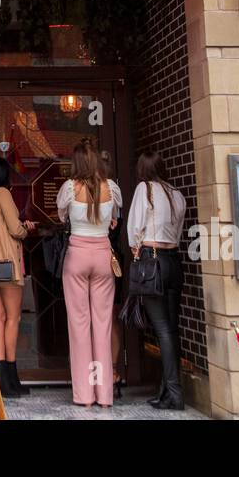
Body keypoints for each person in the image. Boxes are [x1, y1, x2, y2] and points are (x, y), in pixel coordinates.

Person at [58, 138, 121, 407]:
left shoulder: (70, 189)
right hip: (103, 255)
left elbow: (62, 217)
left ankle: (84, 394)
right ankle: (104, 394)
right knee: (103, 324)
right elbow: (115, 219)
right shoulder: (112, 188)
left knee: (79, 325)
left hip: (77, 254)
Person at [127, 151, 187, 410]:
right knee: (171, 328)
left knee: (161, 328)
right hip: (174, 260)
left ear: (143, 169)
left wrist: (135, 250)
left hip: (152, 261)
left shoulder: (145, 189)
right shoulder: (177, 194)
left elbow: (134, 228)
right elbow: (179, 231)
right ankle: (167, 388)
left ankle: (173, 392)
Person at [0, 155, 37, 398]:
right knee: (13, 319)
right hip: (8, 267)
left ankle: (0, 378)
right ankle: (11, 378)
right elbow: (15, 229)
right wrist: (28, 228)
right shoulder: (3, 193)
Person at [100, 149, 127, 400]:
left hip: (98, 251)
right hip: (114, 255)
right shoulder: (115, 190)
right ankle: (114, 370)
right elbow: (117, 222)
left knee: (96, 316)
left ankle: (98, 372)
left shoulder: (88, 188)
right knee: (112, 316)